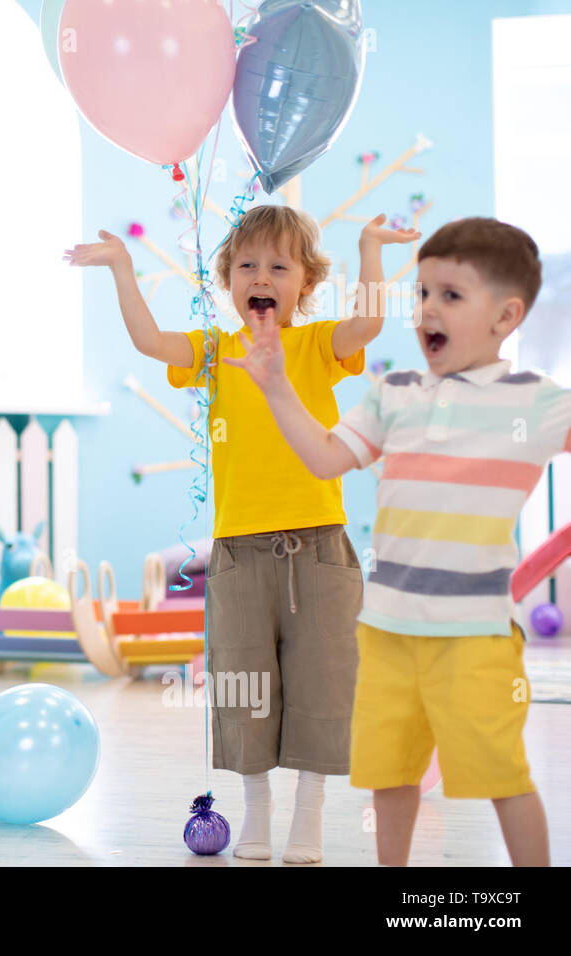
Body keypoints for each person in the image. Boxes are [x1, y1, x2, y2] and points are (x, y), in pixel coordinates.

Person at [66, 205, 417, 862]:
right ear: (230, 280)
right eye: (247, 265)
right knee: (243, 682)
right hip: (238, 551)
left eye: (279, 266)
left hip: (319, 547)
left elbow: (369, 320)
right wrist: (121, 268)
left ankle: (307, 810)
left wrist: (371, 247)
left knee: (324, 680)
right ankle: (258, 809)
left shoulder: (317, 347)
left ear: (305, 284)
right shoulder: (215, 350)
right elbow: (149, 341)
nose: (261, 276)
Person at [225, 217, 555, 867]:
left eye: (451, 296)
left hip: (476, 636)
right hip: (387, 635)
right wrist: (276, 386)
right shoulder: (394, 394)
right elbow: (321, 457)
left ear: (507, 316)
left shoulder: (537, 402)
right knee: (392, 780)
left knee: (503, 777)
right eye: (423, 294)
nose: (429, 309)